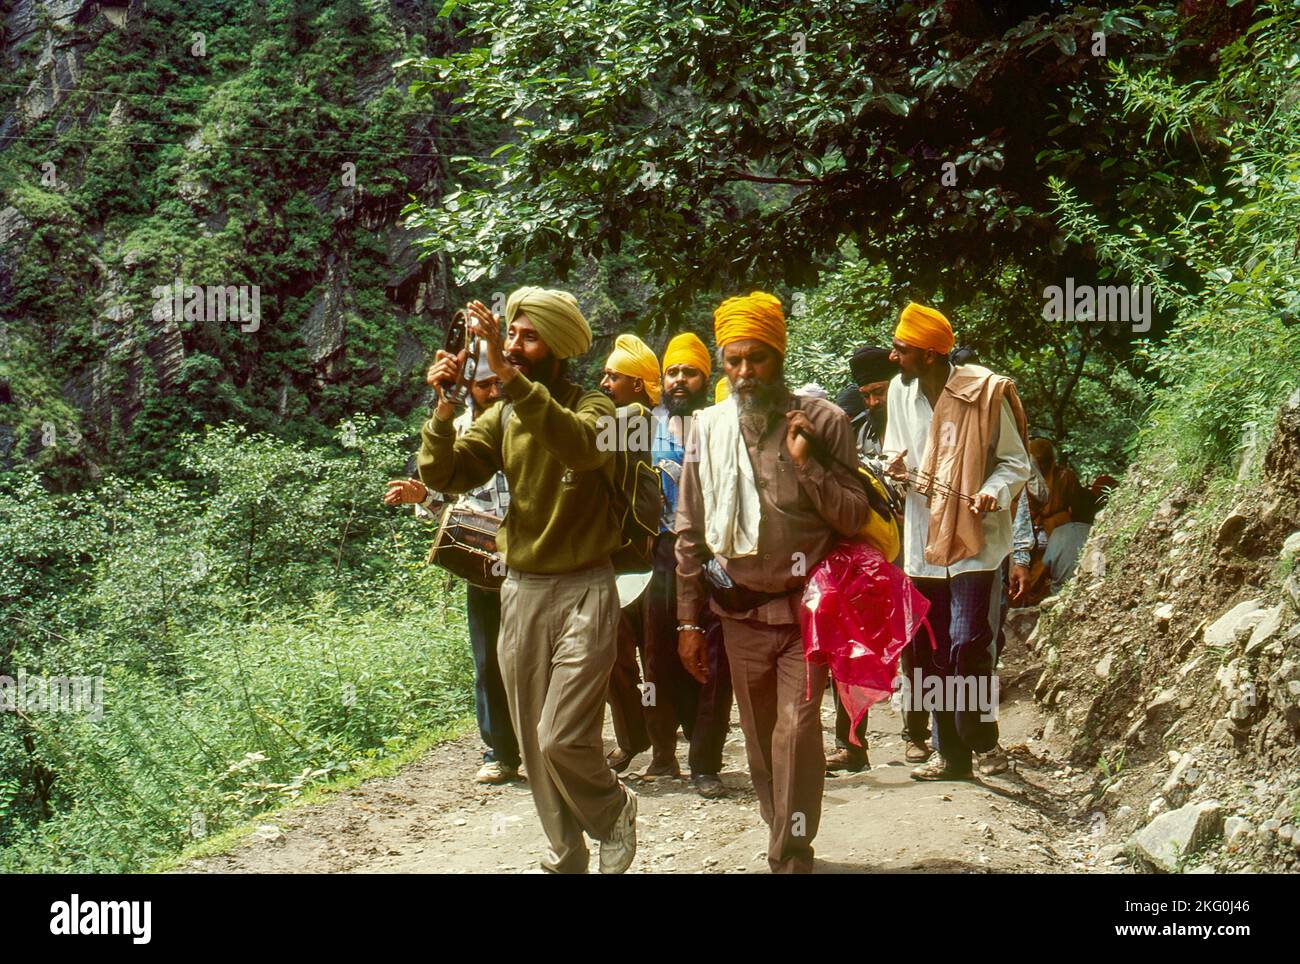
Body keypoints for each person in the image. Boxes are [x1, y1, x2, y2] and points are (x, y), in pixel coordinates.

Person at [418, 288, 637, 874]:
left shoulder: (599, 409)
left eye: (526, 336)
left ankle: (613, 811)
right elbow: (447, 473)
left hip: (586, 588)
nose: (512, 346)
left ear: (560, 347)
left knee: (560, 737)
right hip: (522, 589)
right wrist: (442, 411)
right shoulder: (503, 415)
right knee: (533, 744)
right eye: (508, 335)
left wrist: (509, 377)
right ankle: (567, 855)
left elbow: (579, 446)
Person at [676, 292, 872, 872]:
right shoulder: (707, 431)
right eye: (733, 361)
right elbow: (688, 532)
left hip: (808, 608)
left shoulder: (826, 422)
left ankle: (789, 854)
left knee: (798, 729)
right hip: (738, 612)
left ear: (778, 357)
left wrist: (808, 463)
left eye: (755, 359)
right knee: (761, 743)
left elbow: (855, 518)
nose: (743, 373)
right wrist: (688, 622)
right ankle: (784, 828)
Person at [883, 302, 1031, 782]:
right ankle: (953, 757)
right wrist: (897, 469)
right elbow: (893, 452)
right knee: (931, 652)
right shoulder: (897, 394)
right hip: (923, 543)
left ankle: (983, 738)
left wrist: (993, 489)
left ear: (929, 355)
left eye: (902, 349)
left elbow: (1016, 462)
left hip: (977, 542)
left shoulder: (985, 393)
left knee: (968, 644)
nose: (893, 356)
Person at [386, 347, 521, 785]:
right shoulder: (456, 431)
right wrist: (421, 497)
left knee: (537, 656)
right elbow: (448, 501)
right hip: (482, 563)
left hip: (533, 557)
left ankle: (549, 746)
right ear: (468, 389)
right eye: (484, 385)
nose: (494, 391)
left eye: (498, 382)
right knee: (489, 659)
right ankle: (498, 751)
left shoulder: (529, 423)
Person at [641, 333, 734, 798]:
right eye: (672, 372)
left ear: (705, 378)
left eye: (689, 372)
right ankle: (666, 753)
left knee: (713, 659)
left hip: (713, 553)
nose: (679, 380)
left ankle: (706, 761)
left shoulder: (720, 424)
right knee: (660, 654)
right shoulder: (645, 427)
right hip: (660, 552)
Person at [598, 334, 661, 773]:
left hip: (633, 557)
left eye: (613, 376)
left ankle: (646, 739)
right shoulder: (629, 417)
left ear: (637, 384)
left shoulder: (635, 415)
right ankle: (641, 738)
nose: (604, 383)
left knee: (629, 656)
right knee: (623, 657)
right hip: (627, 556)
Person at [1043, 484, 1095, 594]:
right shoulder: (1098, 533)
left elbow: (1046, 566)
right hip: (1090, 592)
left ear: (1070, 510)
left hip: (1060, 595)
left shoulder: (1058, 532)